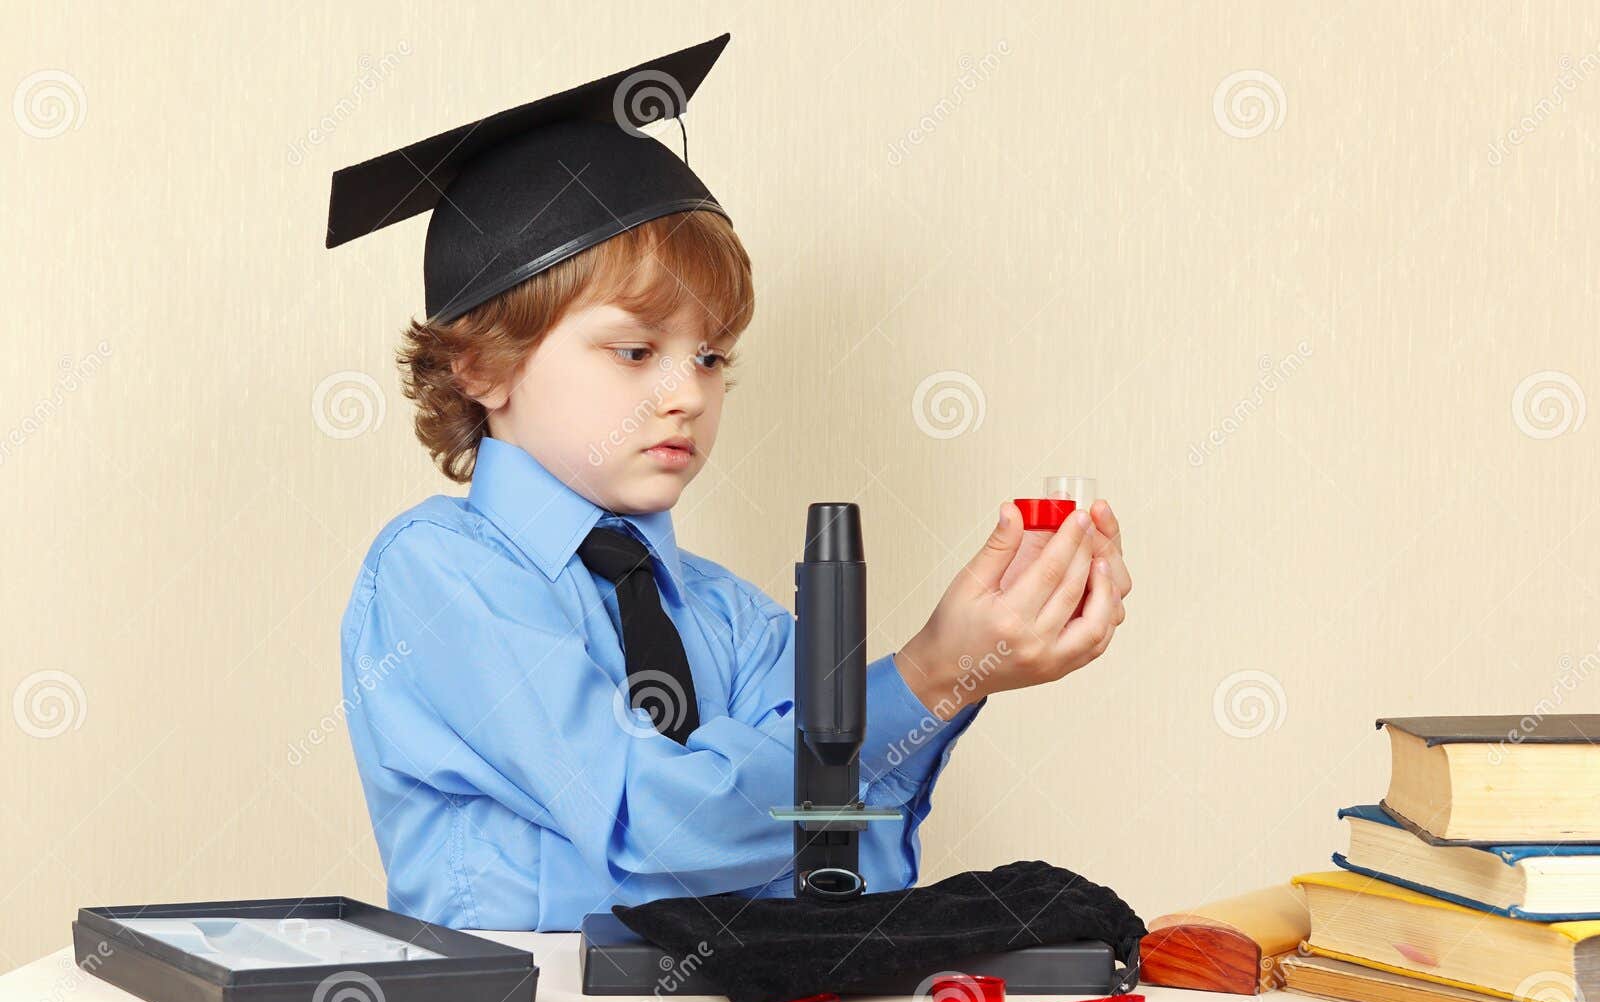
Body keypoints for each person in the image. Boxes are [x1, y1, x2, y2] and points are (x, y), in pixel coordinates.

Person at [330, 35, 1131, 930]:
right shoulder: (441, 574)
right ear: (482, 365)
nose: (687, 395)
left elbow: (846, 868)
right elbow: (655, 827)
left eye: (710, 356)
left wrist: (955, 677)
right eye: (635, 351)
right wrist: (922, 673)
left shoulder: (732, 620)